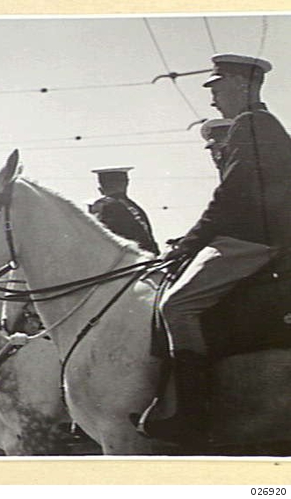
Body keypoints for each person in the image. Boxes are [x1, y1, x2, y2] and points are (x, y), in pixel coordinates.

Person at [135, 54, 291, 444]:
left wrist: (187, 245)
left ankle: (191, 413)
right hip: (257, 236)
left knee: (177, 305)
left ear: (242, 85)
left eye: (217, 87)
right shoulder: (263, 125)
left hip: (251, 241)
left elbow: (231, 197)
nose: (212, 99)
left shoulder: (251, 126)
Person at [88, 166, 160, 255]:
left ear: (101, 185)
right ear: (126, 184)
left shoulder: (102, 205)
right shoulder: (133, 205)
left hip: (123, 259)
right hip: (145, 257)